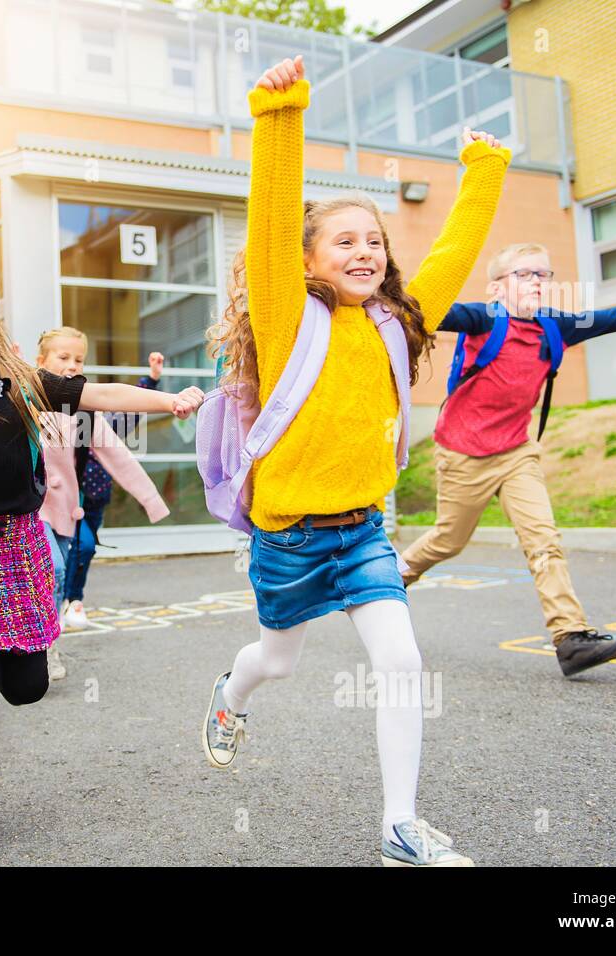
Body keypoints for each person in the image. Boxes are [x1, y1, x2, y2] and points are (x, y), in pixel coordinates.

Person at [202, 56, 510, 866]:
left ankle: (399, 827)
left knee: (402, 660)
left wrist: (484, 169)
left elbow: (451, 254)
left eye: (373, 241)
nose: (365, 251)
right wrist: (280, 116)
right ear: (308, 261)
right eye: (345, 241)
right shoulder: (285, 311)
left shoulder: (394, 321)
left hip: (364, 533)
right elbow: (269, 223)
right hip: (291, 540)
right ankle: (231, 698)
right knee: (276, 660)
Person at [0, 248, 203, 863]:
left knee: (28, 687)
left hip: (18, 545)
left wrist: (167, 402)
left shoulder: (22, 380)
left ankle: (9, 690)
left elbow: (98, 394)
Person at [402, 245, 616, 676]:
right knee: (448, 541)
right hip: (463, 454)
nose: (539, 282)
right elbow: (419, 308)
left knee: (544, 540)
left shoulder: (555, 328)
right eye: (526, 274)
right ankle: (390, 579)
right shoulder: (480, 319)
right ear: (497, 288)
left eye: (544, 274)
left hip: (517, 452)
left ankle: (570, 638)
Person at [34, 327, 169, 679]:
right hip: (29, 507)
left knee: (63, 569)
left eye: (78, 359)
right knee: (56, 568)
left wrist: (151, 501)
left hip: (67, 507)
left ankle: (47, 639)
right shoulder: (28, 399)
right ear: (41, 361)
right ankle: (39, 644)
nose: (71, 365)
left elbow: (119, 456)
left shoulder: (85, 411)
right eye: (62, 358)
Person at [62, 349, 165, 633]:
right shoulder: (67, 423)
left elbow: (129, 413)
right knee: (82, 546)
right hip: (72, 499)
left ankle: (73, 600)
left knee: (85, 551)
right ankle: (68, 600)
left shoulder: (100, 425)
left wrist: (152, 380)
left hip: (96, 499)